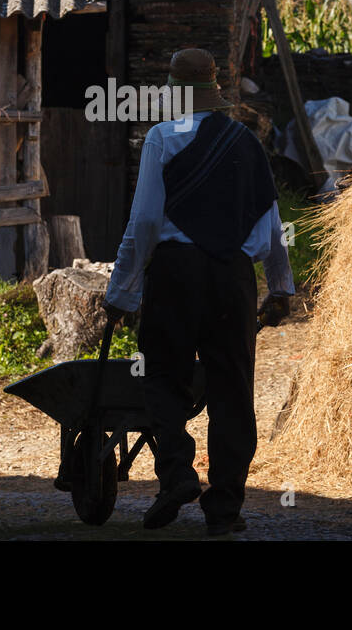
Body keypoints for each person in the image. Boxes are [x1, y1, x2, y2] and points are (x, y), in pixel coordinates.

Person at [102, 47, 294, 536]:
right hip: (232, 279)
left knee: (163, 375)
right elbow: (271, 226)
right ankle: (224, 509)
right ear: (215, 90)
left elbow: (144, 221)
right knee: (232, 391)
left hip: (176, 276)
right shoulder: (246, 143)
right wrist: (280, 288)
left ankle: (177, 476)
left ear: (175, 90)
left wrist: (121, 292)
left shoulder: (162, 139)